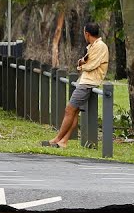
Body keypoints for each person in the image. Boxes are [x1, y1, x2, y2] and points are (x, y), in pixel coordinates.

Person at [44, 21, 109, 149]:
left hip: (88, 83)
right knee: (73, 112)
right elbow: (86, 61)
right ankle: (63, 141)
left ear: (87, 33)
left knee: (69, 110)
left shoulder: (100, 46)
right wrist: (81, 63)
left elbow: (91, 65)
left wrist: (81, 65)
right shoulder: (93, 46)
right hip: (85, 81)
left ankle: (57, 138)